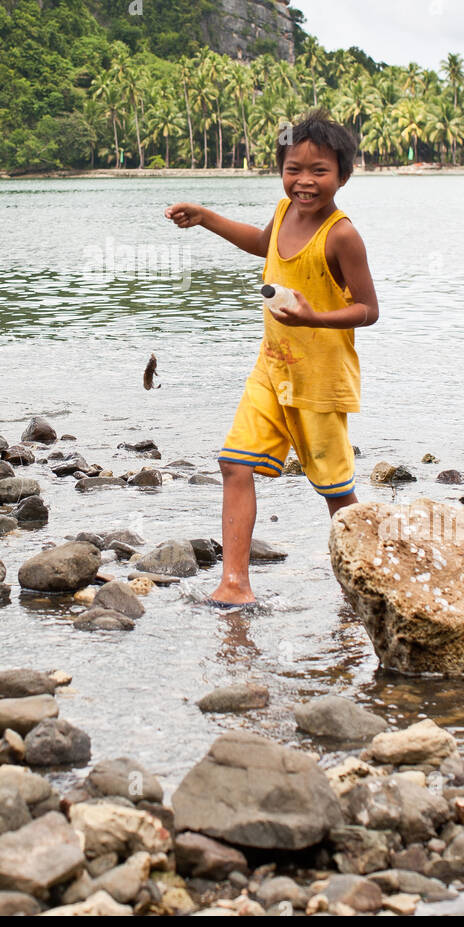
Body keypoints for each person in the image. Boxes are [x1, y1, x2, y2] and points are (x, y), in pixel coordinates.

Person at [165, 109, 379, 607]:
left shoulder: (341, 235)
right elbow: (263, 245)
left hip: (320, 381)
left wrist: (313, 319)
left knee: (335, 491)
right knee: (234, 463)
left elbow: (368, 310)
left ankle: (366, 581)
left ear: (343, 176)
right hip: (272, 367)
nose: (304, 181)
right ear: (281, 170)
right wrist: (208, 219)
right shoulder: (285, 214)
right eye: (293, 169)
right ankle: (235, 584)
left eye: (319, 171)